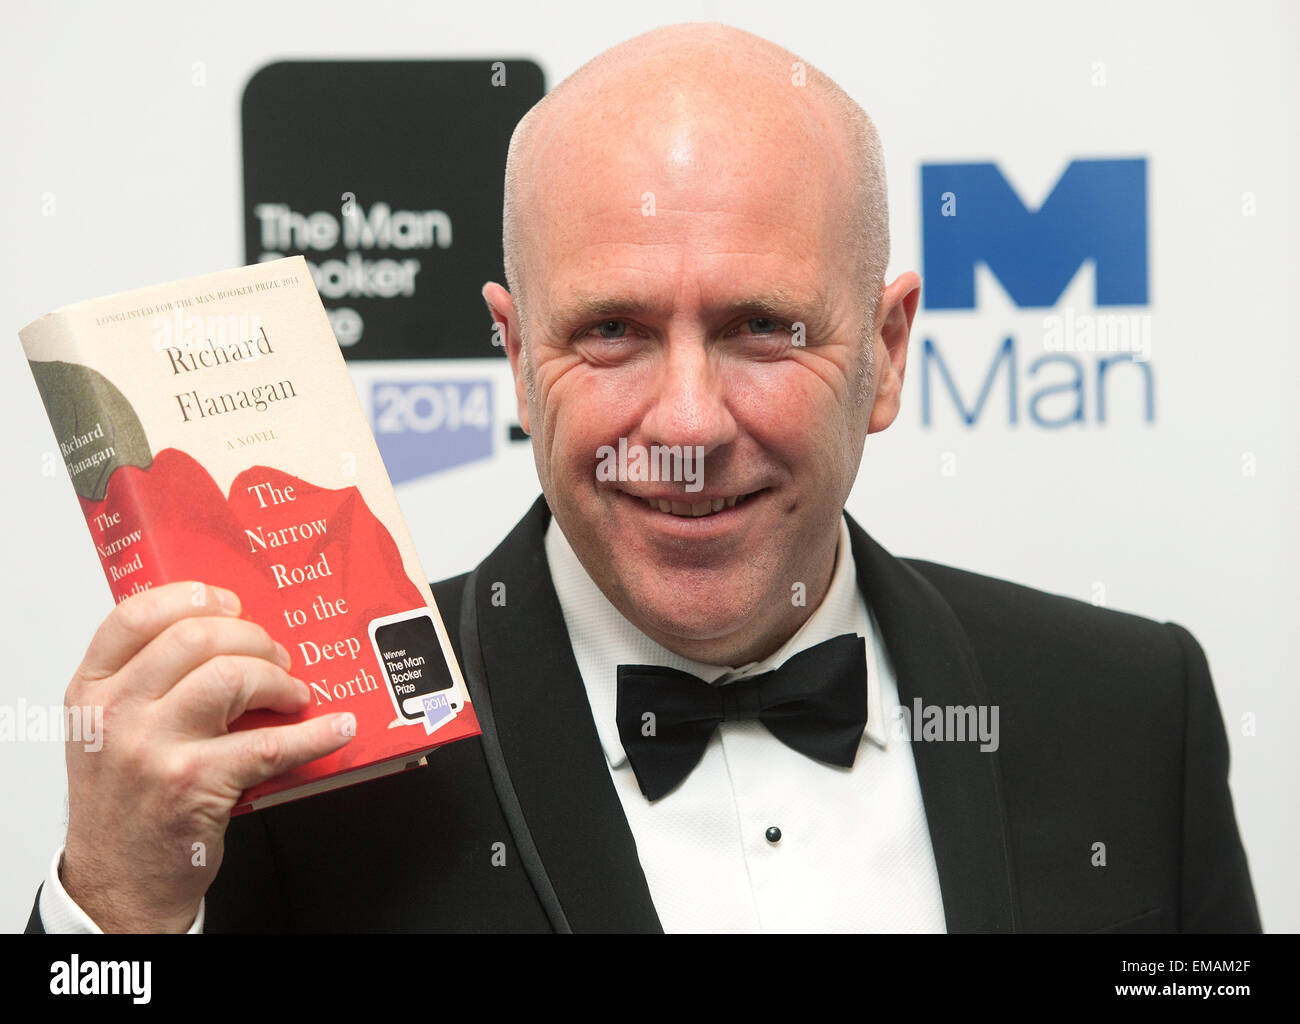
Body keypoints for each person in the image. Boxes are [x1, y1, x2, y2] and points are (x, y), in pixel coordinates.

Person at [26, 22, 1260, 934]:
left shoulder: (1129, 714)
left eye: (760, 328)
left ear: (884, 354)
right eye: (610, 330)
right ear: (515, 358)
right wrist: (113, 909)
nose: (683, 421)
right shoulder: (287, 761)